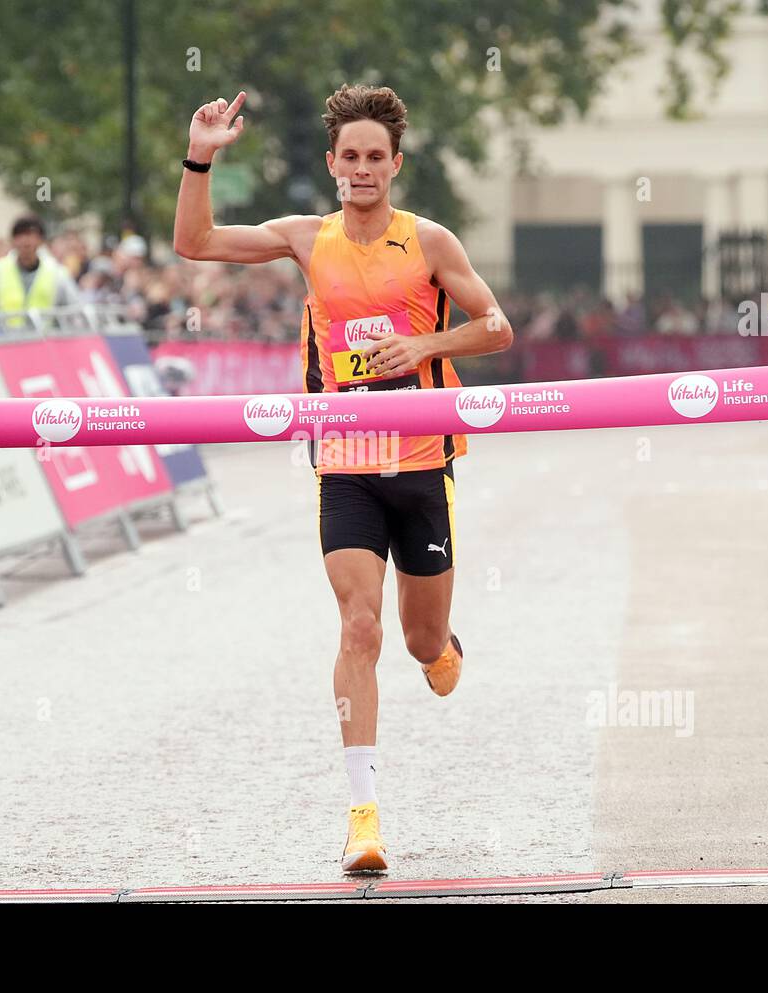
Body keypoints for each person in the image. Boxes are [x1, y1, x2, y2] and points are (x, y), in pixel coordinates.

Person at [173, 84, 513, 874]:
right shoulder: (305, 238)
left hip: (422, 461)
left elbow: (496, 326)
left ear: (395, 165)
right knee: (360, 626)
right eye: (350, 156)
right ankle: (364, 819)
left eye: (375, 158)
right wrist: (199, 156)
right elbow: (195, 243)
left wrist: (425, 347)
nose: (362, 169)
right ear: (332, 163)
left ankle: (440, 647)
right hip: (346, 464)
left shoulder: (429, 242)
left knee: (421, 640)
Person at [0, 214, 81, 329]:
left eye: (31, 235)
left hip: (45, 342)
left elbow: (76, 313)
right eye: (21, 235)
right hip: (5, 342)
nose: (26, 241)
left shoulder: (57, 273)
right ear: (13, 240)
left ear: (41, 240)